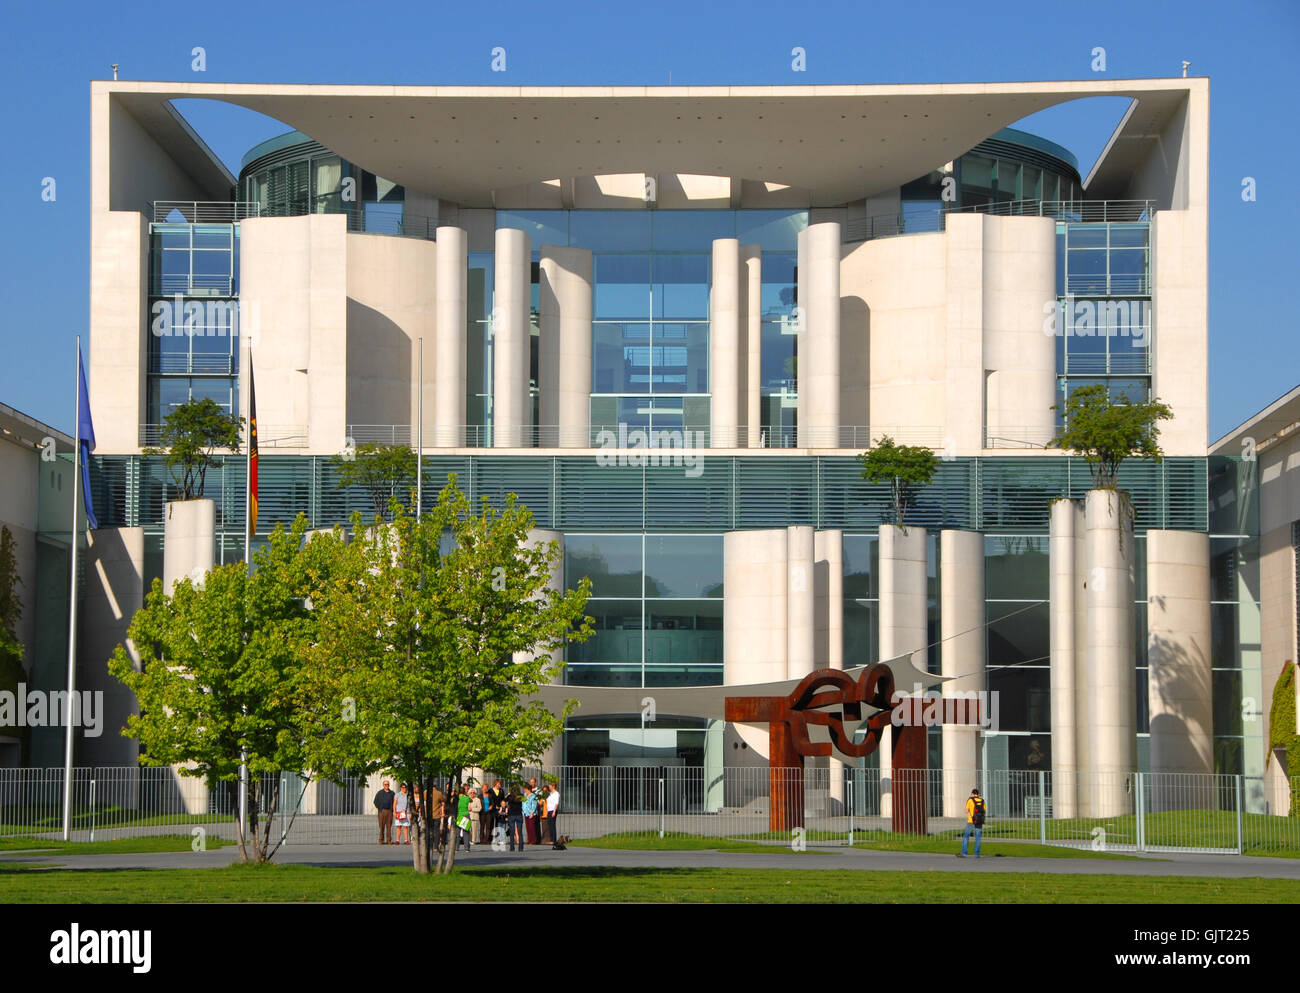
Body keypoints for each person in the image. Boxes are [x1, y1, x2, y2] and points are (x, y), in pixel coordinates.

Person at [958, 788, 986, 858]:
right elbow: (984, 810)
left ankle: (964, 853)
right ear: (978, 794)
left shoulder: (970, 800)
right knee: (978, 837)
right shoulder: (982, 801)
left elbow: (966, 811)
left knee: (966, 836)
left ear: (972, 794)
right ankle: (977, 854)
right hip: (979, 821)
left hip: (971, 821)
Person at [374, 779, 395, 845]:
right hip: (381, 811)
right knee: (381, 826)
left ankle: (389, 840)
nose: (387, 785)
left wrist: (392, 810)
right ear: (383, 785)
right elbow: (375, 801)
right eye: (385, 784)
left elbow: (395, 801)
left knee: (389, 827)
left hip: (389, 811)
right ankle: (381, 840)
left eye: (388, 784)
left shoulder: (392, 793)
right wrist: (379, 808)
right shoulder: (380, 793)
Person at [506, 787, 525, 852]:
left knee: (512, 831)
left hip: (511, 815)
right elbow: (525, 800)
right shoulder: (521, 796)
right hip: (519, 814)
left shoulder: (510, 796)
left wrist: (508, 795)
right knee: (520, 831)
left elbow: (505, 800)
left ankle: (512, 847)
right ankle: (521, 847)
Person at [522, 779, 541, 845]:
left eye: (526, 789)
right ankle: (529, 840)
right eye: (524, 789)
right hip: (526, 813)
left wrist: (532, 813)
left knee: (532, 827)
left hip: (531, 813)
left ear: (529, 789)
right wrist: (523, 811)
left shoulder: (533, 796)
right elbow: (523, 803)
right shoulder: (524, 795)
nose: (525, 790)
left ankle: (533, 840)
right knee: (527, 827)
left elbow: (534, 805)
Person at [456, 784, 473, 852]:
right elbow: (471, 800)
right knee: (466, 832)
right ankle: (467, 848)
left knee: (458, 832)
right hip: (466, 815)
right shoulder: (466, 798)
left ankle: (457, 848)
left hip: (459, 815)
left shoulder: (457, 799)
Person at [545, 782, 561, 848]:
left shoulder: (556, 794)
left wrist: (554, 811)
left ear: (553, 786)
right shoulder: (550, 794)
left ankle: (554, 840)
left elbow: (556, 803)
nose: (549, 787)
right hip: (549, 810)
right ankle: (551, 839)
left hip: (553, 810)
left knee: (552, 825)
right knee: (549, 824)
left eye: (550, 786)